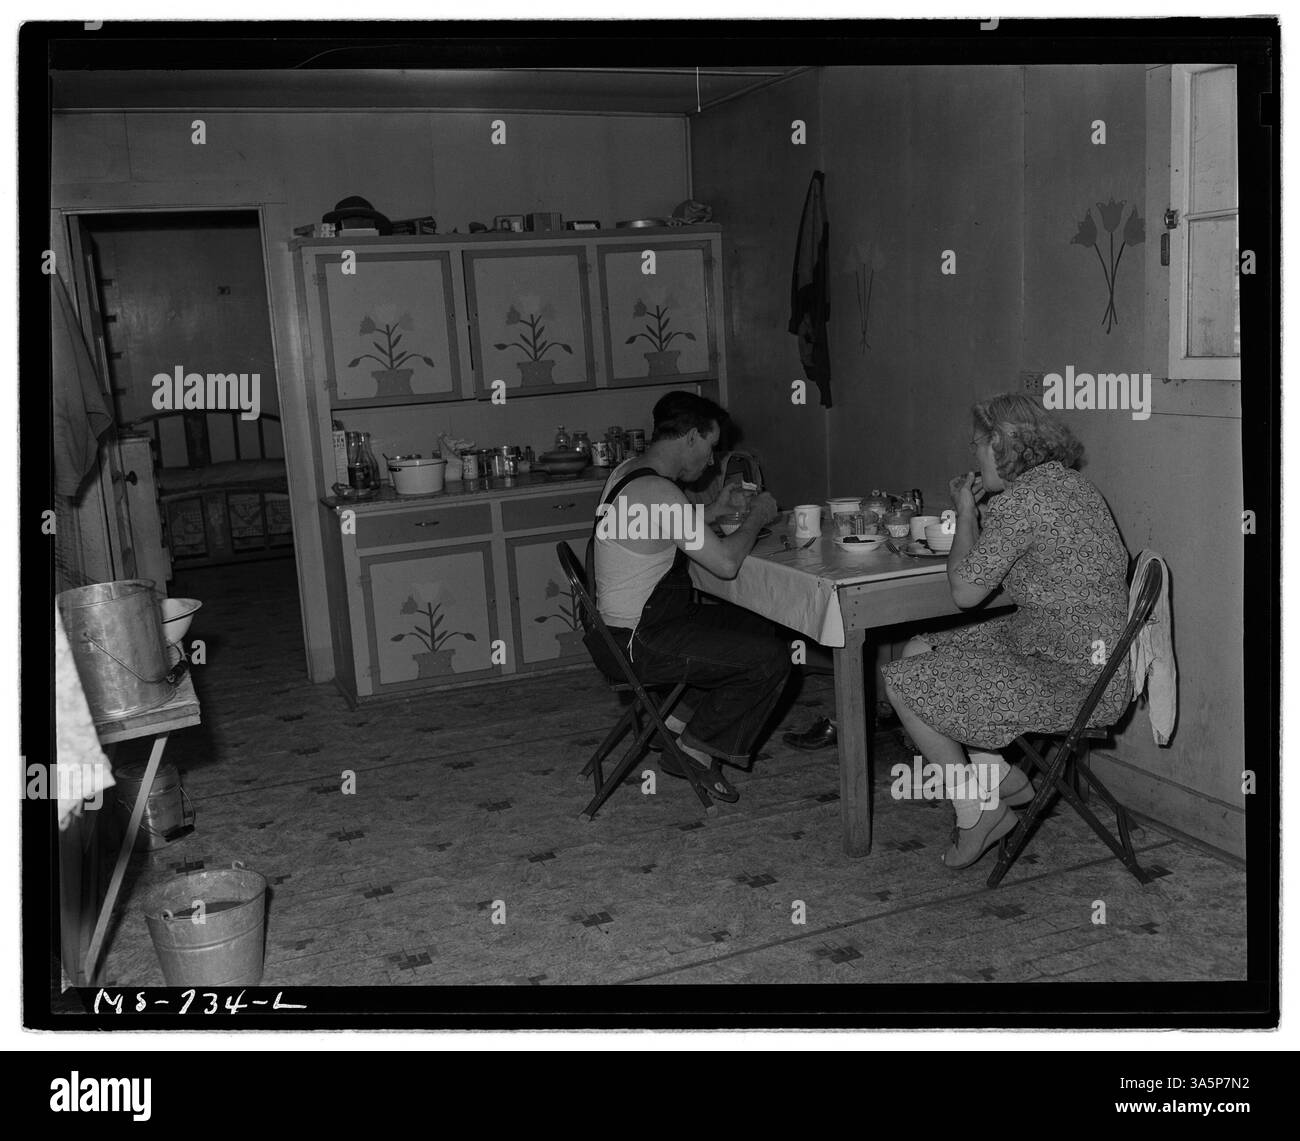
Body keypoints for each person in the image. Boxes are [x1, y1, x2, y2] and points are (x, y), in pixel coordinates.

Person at [882, 392, 1132, 868]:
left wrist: (964, 512)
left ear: (999, 443)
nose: (974, 455)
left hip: (1076, 672)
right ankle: (994, 772)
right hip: (1059, 642)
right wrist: (970, 514)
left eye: (977, 444)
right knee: (917, 649)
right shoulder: (1066, 486)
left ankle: (975, 808)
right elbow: (979, 568)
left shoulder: (1026, 503)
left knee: (902, 682)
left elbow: (964, 592)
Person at [589, 391, 788, 803]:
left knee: (757, 623)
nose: (712, 461)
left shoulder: (631, 472)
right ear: (693, 437)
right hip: (639, 641)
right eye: (712, 448)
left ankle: (675, 721)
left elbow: (657, 526)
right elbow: (726, 564)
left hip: (615, 632)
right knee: (770, 659)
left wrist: (715, 510)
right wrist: (757, 516)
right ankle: (693, 748)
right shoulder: (661, 492)